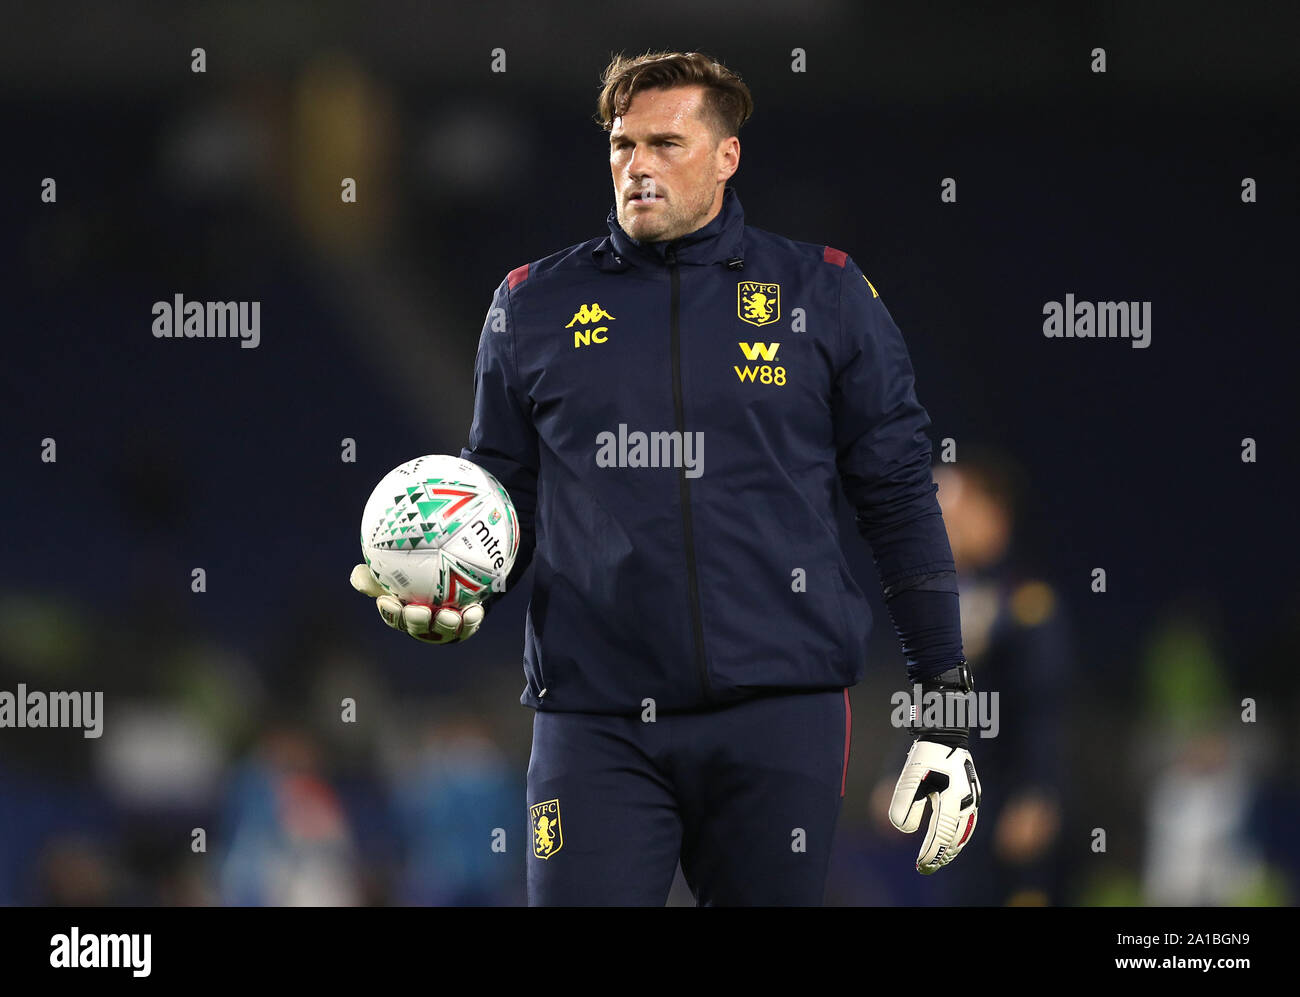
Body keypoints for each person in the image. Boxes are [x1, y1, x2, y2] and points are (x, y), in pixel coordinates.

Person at [351, 50, 981, 906]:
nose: (637, 165)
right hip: (596, 721)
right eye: (622, 145)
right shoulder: (531, 303)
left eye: (665, 143)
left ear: (726, 157)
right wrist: (463, 595)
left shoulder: (825, 294)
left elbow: (899, 494)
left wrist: (943, 702)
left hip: (780, 710)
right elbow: (502, 502)